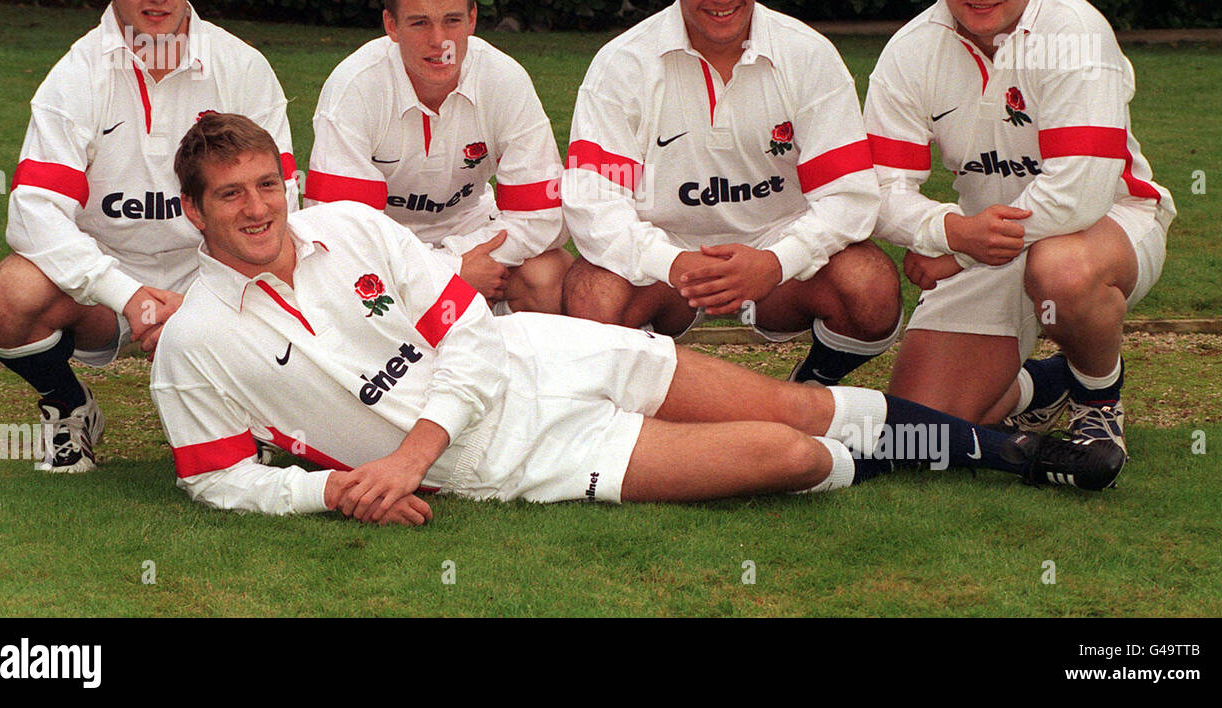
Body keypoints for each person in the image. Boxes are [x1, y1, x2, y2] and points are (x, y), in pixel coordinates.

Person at [150, 114, 1123, 526]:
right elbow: (220, 483)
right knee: (791, 459)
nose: (255, 207)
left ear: (290, 181)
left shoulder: (353, 225)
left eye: (266, 183)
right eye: (228, 195)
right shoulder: (194, 342)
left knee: (805, 415)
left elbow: (471, 333)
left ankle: (1016, 450)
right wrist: (332, 493)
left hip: (552, 352)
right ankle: (1026, 397)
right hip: (515, 454)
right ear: (193, 211)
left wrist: (409, 450)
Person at [0, 0, 299, 473]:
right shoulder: (77, 75)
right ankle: (69, 406)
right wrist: (128, 295)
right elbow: (33, 213)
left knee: (288, 259)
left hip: (216, 272)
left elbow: (276, 204)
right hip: (106, 287)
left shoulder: (242, 67)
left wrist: (212, 296)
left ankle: (261, 417)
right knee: (9, 295)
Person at [863, 0, 1174, 456]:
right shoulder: (910, 51)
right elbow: (879, 189)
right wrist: (953, 232)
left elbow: (1079, 193)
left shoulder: (1076, 32)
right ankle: (1047, 383)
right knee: (924, 435)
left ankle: (1097, 399)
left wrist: (958, 250)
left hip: (1105, 226)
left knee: (1061, 271)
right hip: (987, 239)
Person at [562, 0, 901, 387]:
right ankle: (649, 404)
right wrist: (672, 262)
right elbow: (593, 202)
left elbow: (850, 197)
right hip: (667, 267)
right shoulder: (622, 63)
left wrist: (778, 260)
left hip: (777, 261)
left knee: (870, 286)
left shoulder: (808, 54)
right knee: (592, 295)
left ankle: (813, 386)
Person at [304, 0, 571, 314]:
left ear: (473, 19)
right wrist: (450, 270)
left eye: (452, 20)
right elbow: (342, 233)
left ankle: (522, 365)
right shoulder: (355, 86)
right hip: (386, 241)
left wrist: (459, 257)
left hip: (471, 231)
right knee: (336, 284)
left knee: (547, 274)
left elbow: (544, 217)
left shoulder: (504, 78)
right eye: (419, 22)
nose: (439, 41)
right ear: (391, 26)